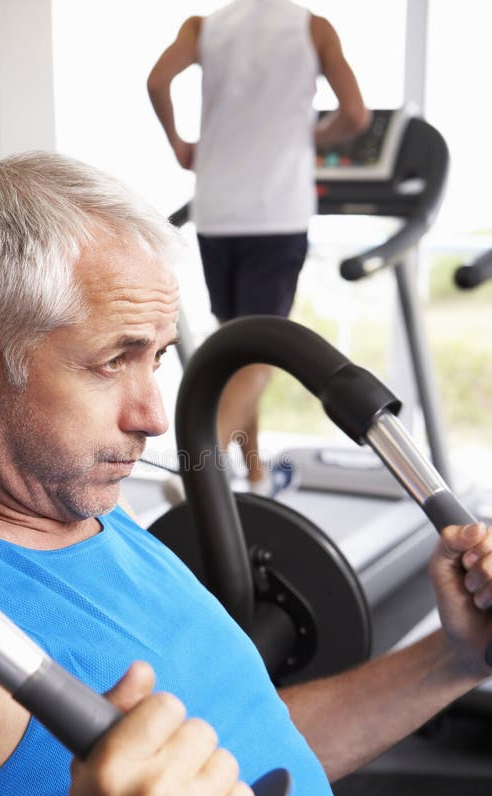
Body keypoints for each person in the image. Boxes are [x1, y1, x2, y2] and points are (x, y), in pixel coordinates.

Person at [0, 151, 492, 796]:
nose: (152, 416)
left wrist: (455, 660)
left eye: (159, 361)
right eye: (115, 361)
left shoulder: (95, 519)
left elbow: (246, 751)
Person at [147, 0, 372, 494]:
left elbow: (157, 81)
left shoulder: (203, 27)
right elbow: (355, 114)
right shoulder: (313, 28)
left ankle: (256, 474)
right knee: (260, 357)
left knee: (238, 342)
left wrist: (180, 145)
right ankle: (199, 472)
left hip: (218, 209)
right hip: (275, 211)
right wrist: (313, 135)